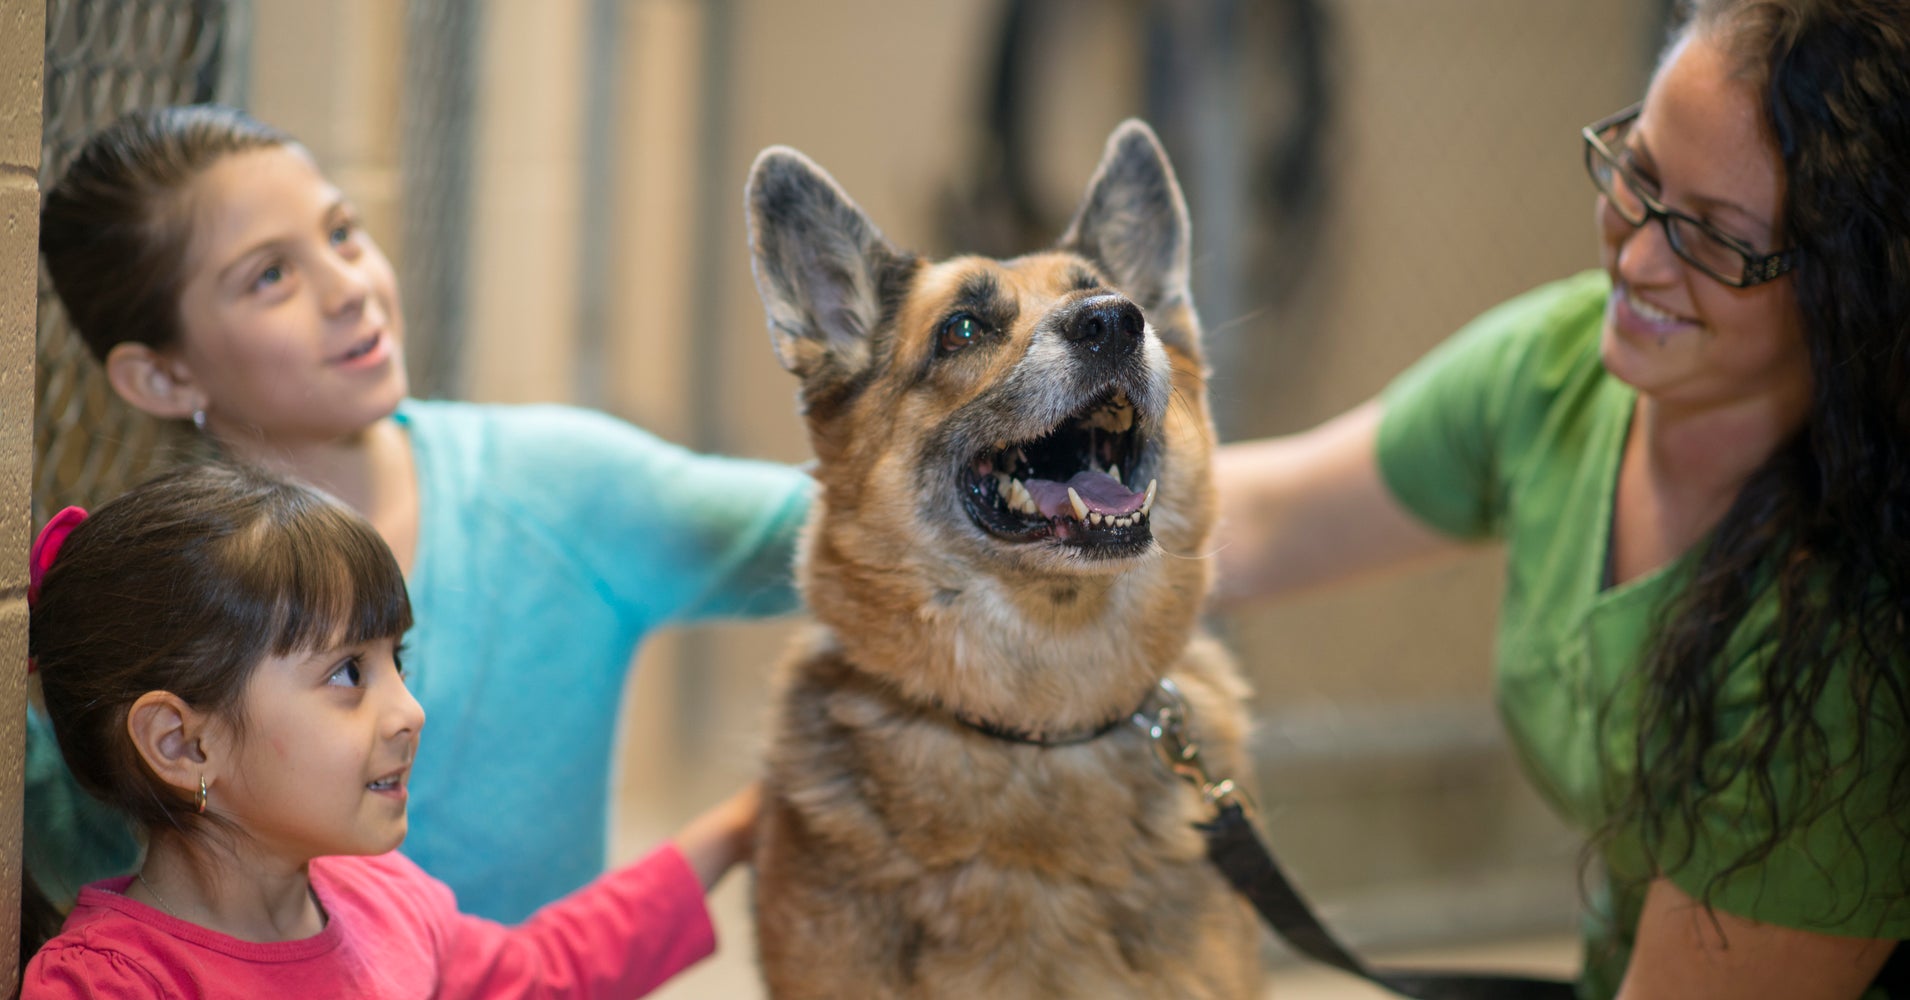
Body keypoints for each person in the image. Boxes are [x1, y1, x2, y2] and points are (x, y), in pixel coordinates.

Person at [1212, 0, 1909, 997]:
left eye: (1715, 239)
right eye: (1640, 174)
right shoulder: (1562, 366)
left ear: (1850, 288)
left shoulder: (1847, 651)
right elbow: (1252, 523)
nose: (1636, 258)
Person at [33, 104, 813, 923]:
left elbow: (867, 527)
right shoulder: (133, 616)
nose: (351, 288)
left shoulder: (564, 488)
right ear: (162, 378)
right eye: (271, 276)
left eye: (343, 234)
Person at [21, 462, 759, 999]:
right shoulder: (112, 985)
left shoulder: (385, 902)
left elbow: (546, 975)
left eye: (395, 661)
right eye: (348, 673)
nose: (410, 710)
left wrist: (735, 830)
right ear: (184, 744)